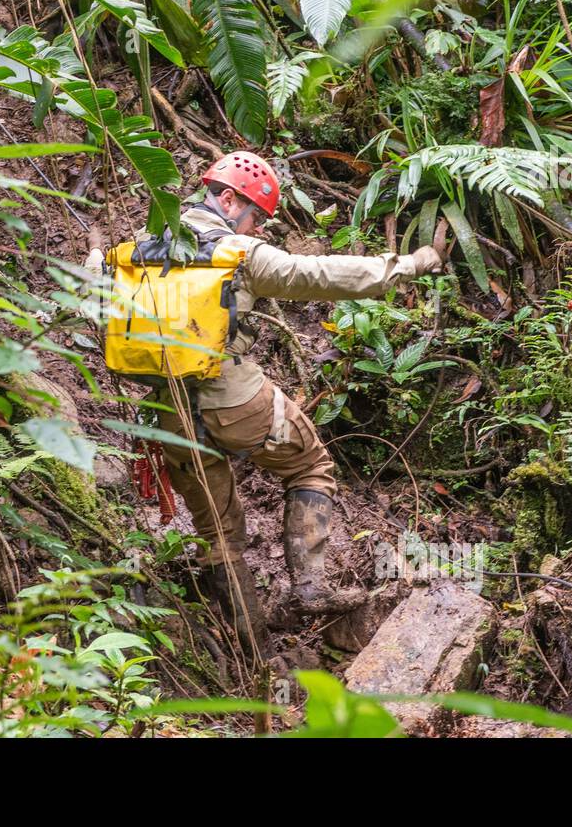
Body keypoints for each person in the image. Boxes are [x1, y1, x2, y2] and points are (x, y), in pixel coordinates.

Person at [85, 151, 448, 655]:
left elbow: (90, 300)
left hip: (171, 417)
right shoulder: (239, 253)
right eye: (256, 215)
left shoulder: (130, 253)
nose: (258, 228)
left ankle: (253, 659)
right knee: (311, 467)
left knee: (218, 534)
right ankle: (310, 586)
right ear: (228, 199)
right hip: (240, 405)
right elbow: (319, 274)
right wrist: (407, 265)